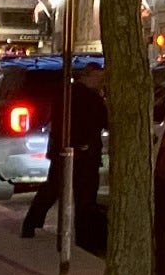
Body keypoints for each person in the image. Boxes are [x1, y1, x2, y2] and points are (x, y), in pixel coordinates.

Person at [22, 64, 109, 253]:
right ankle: (85, 241)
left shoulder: (64, 94)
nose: (101, 81)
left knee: (53, 188)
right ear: (90, 76)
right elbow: (104, 121)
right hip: (85, 155)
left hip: (63, 151)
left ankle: (31, 223)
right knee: (84, 198)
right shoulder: (91, 98)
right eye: (99, 77)